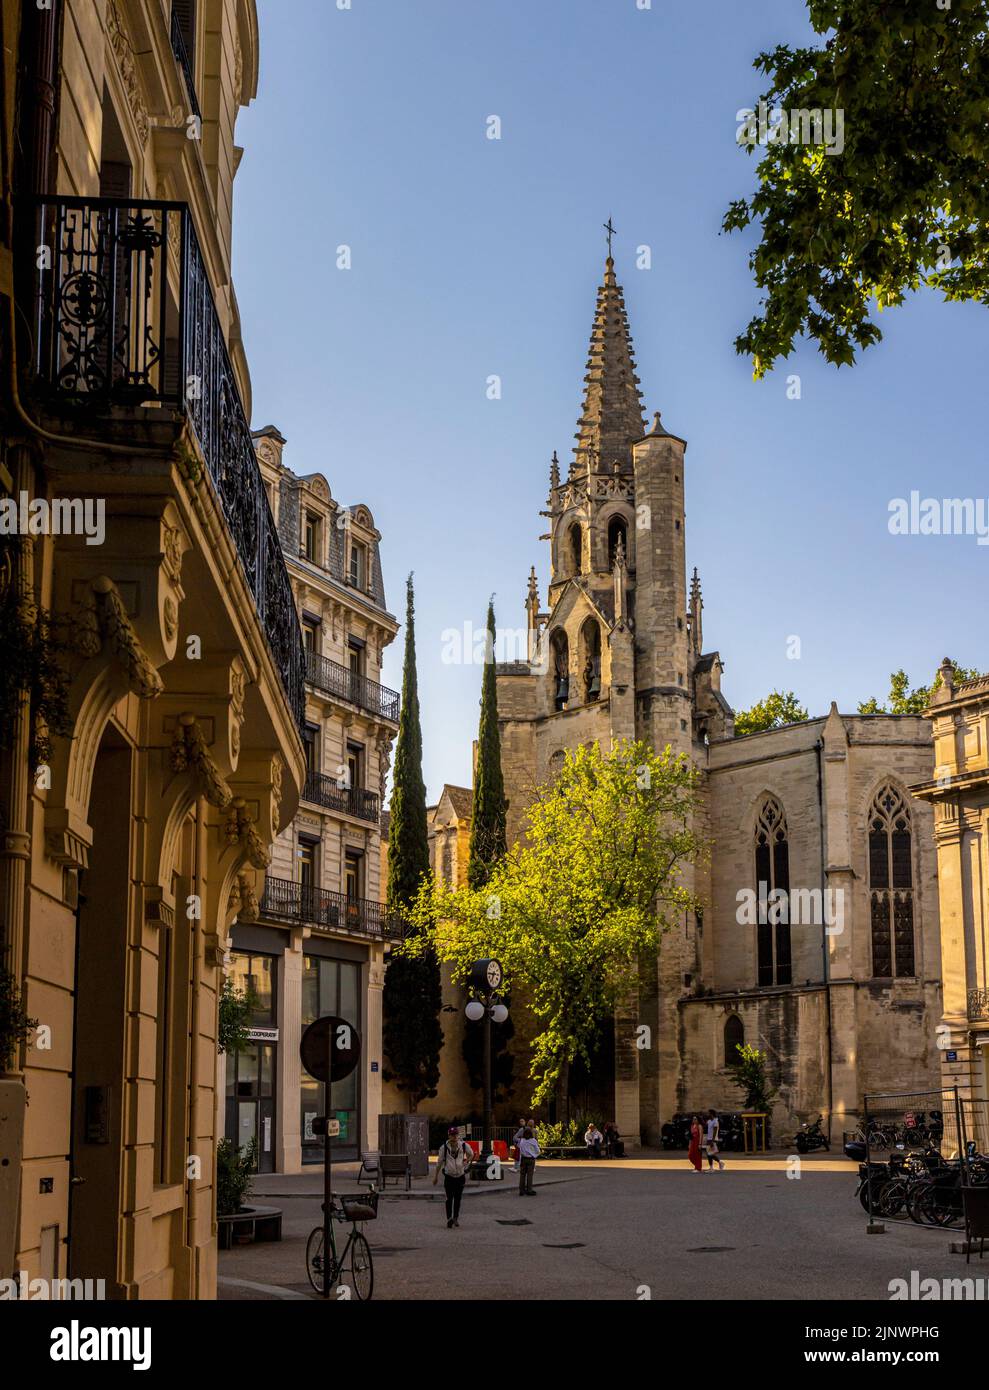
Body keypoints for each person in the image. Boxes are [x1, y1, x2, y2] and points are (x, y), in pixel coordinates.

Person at [432, 1126, 475, 1227]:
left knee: (458, 1198)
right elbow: (439, 1163)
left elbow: (471, 1154)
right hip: (449, 1176)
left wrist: (466, 1161)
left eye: (455, 1134)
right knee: (449, 1198)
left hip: (460, 1175)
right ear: (449, 1135)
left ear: (458, 1135)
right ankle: (449, 1218)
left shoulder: (463, 1145)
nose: (454, 1136)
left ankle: (455, 1217)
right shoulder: (444, 1147)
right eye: (452, 1135)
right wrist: (435, 1177)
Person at [517, 1126, 540, 1196]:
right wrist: (534, 1155)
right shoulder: (533, 1141)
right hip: (531, 1159)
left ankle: (521, 1190)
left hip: (523, 1159)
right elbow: (537, 1151)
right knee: (530, 1175)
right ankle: (529, 1190)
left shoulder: (522, 1140)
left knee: (522, 1175)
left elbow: (520, 1149)